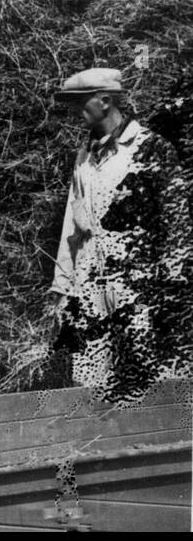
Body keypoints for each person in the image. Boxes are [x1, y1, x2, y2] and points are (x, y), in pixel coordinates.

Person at [49, 68, 191, 401]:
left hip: (139, 284)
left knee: (145, 376)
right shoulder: (84, 156)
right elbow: (74, 223)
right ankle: (97, 446)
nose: (74, 111)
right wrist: (63, 284)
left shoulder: (150, 148)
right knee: (90, 378)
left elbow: (177, 224)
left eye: (81, 103)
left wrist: (172, 291)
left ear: (106, 101)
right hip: (91, 282)